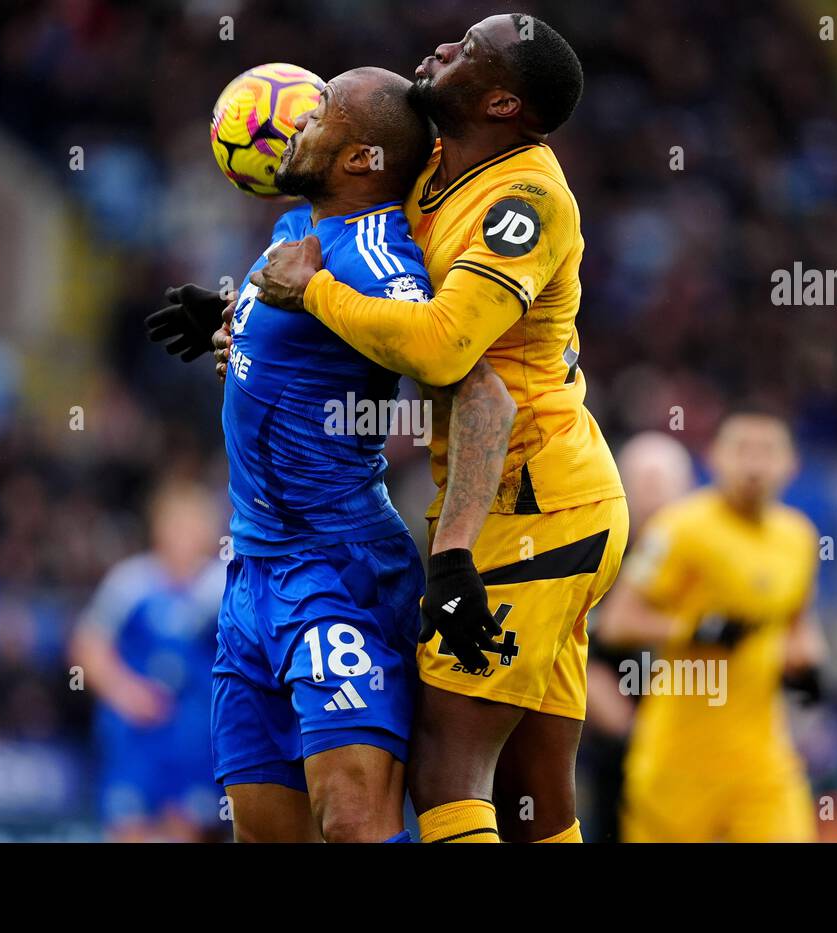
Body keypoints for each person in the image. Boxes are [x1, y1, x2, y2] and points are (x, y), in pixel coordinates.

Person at [253, 15, 626, 843]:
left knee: (445, 762)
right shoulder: (435, 169)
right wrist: (241, 311)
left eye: (465, 51)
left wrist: (308, 295)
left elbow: (447, 343)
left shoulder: (526, 199)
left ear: (500, 101)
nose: (439, 49)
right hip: (519, 501)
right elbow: (355, 238)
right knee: (535, 794)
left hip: (539, 502)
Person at [148, 67, 516, 842]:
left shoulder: (378, 257)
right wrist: (229, 316)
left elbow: (480, 394)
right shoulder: (299, 227)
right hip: (253, 573)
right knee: (264, 829)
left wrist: (451, 555)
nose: (295, 126)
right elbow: (311, 333)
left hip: (336, 570)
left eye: (318, 117)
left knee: (352, 820)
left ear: (359, 161)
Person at [599, 405, 828, 842]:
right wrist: (695, 629)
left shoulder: (798, 538)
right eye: (742, 449)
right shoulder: (679, 528)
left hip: (763, 760)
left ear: (792, 464)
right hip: (678, 761)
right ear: (714, 457)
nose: (755, 464)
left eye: (768, 451)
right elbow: (617, 621)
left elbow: (798, 622)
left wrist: (811, 665)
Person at [70, 480, 226, 842]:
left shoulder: (222, 585)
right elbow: (87, 645)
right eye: (176, 524)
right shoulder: (131, 581)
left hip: (197, 736)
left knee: (191, 830)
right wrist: (124, 691)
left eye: (194, 524)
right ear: (158, 526)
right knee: (129, 829)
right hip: (135, 737)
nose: (185, 535)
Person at [584, 431, 695, 842]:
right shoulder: (603, 564)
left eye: (664, 485)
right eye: (645, 485)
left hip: (696, 742)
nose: (656, 499)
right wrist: (628, 731)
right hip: (621, 748)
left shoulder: (702, 566)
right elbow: (583, 653)